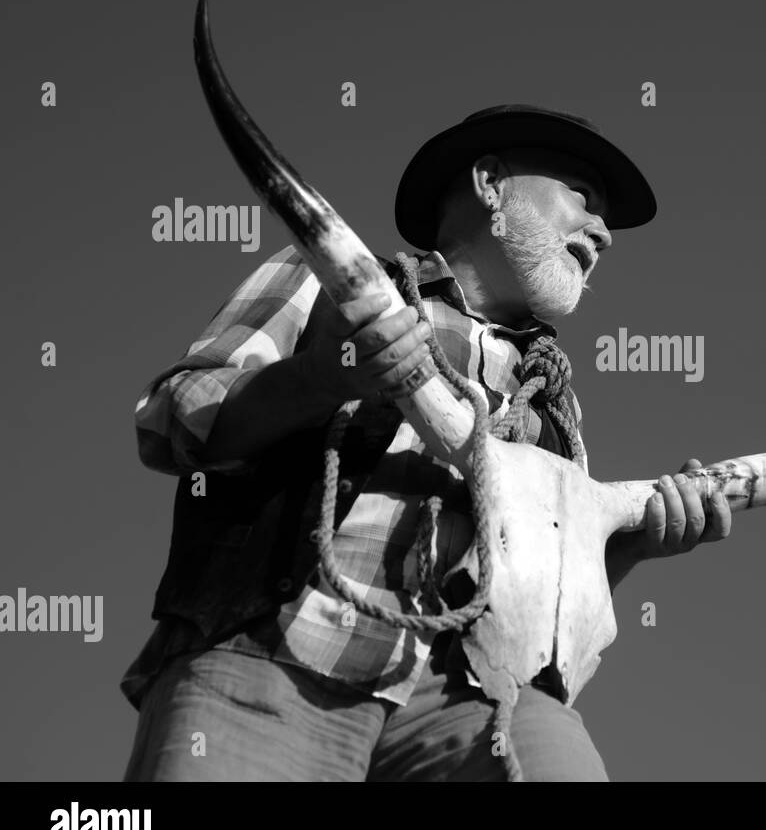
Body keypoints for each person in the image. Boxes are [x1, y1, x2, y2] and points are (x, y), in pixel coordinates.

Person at [121, 104, 732, 781]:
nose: (603, 233)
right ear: (490, 183)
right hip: (276, 659)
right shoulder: (336, 286)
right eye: (584, 200)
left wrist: (632, 548)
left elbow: (541, 591)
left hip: (471, 698)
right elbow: (175, 422)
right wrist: (320, 378)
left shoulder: (556, 404)